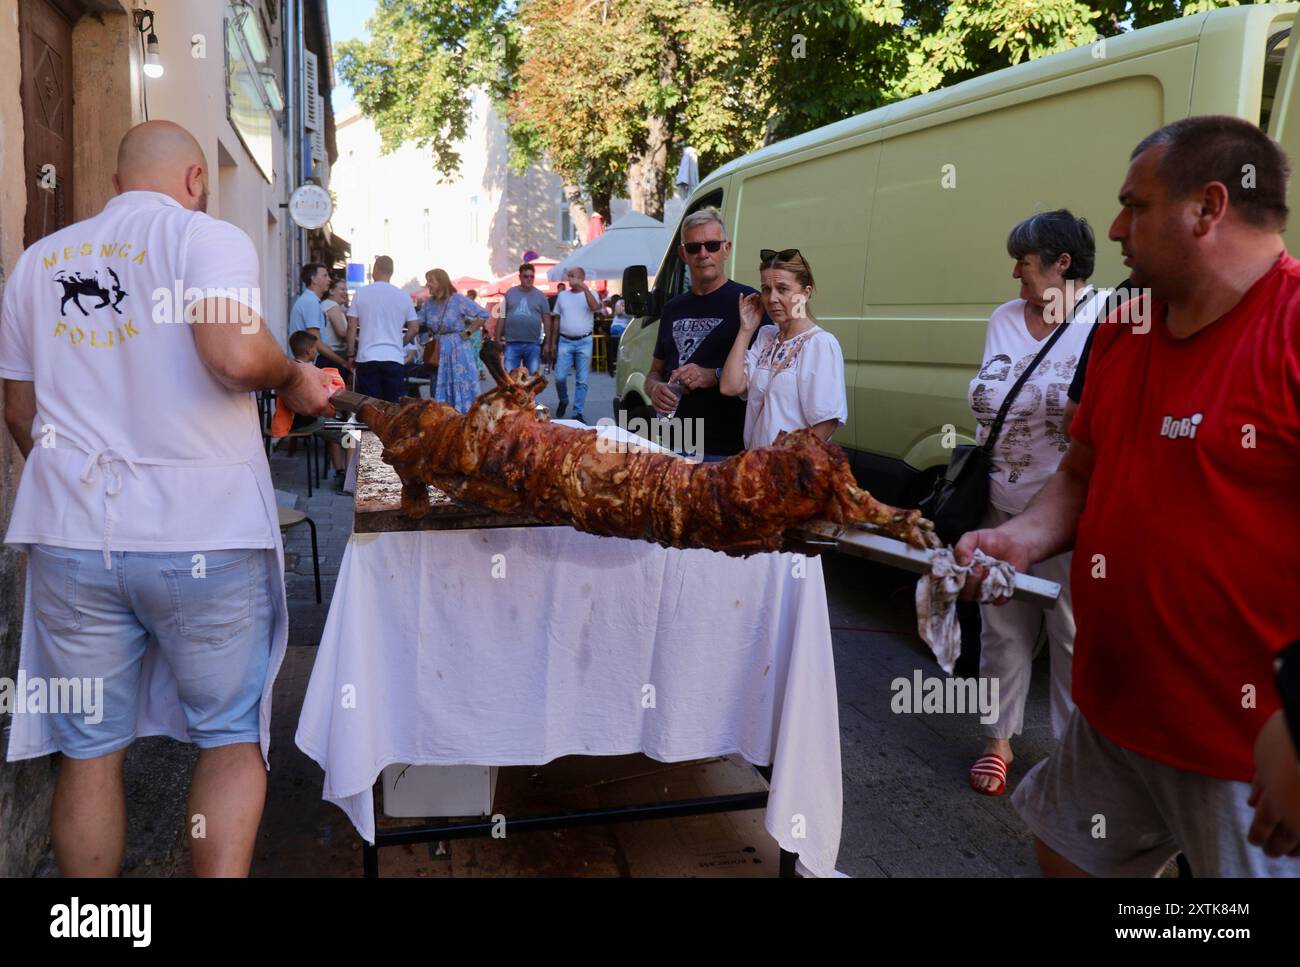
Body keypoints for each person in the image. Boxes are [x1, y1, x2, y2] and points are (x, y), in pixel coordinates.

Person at [957, 116, 1300, 876]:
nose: (1113, 227)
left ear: (1208, 207)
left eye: (1134, 206)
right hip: (1115, 715)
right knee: (1066, 858)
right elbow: (1082, 471)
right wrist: (1021, 537)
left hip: (1246, 746)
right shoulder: (1123, 328)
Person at [0, 120, 336, 877]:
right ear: (195, 179)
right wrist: (291, 378)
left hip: (71, 540)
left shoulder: (36, 263)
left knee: (88, 750)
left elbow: (20, 413)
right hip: (203, 534)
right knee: (226, 738)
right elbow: (228, 352)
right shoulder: (203, 238)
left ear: (115, 186)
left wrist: (70, 493)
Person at [962, 211, 1109, 797]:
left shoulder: (1104, 319)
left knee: (1073, 633)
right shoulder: (1002, 318)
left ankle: (1074, 759)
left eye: (1024, 260)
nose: (1015, 271)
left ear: (1061, 264)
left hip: (1068, 515)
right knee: (1002, 628)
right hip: (998, 501)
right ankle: (998, 741)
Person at [647, 207, 757, 460]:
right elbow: (654, 370)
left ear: (726, 248)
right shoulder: (672, 309)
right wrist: (655, 389)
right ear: (683, 254)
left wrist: (714, 375)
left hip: (728, 450)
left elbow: (766, 373)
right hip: (675, 446)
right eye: (694, 247)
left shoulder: (749, 303)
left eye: (712, 245)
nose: (703, 254)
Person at [718, 248, 847, 448]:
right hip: (756, 468)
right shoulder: (766, 336)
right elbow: (730, 386)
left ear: (805, 293)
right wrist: (746, 329)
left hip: (787, 472)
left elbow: (826, 423)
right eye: (766, 289)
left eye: (783, 289)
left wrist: (786, 465)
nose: (772, 298)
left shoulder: (820, 343)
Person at [345, 255, 418, 403]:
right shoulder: (403, 296)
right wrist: (400, 343)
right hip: (394, 357)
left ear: (376, 269)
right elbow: (414, 328)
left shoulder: (361, 293)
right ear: (391, 272)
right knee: (392, 407)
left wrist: (350, 354)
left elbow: (352, 326)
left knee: (370, 408)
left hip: (367, 357)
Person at [421, 268, 489, 413]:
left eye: (430, 281)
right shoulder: (428, 304)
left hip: (457, 350)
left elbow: (483, 314)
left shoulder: (457, 300)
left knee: (460, 384)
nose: (428, 285)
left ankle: (464, 418)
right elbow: (417, 321)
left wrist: (469, 331)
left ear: (441, 282)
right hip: (438, 350)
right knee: (437, 384)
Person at [548, 267, 599, 421]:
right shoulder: (562, 296)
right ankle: (563, 400)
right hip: (565, 341)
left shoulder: (591, 293)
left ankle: (577, 412)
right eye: (568, 276)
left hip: (584, 341)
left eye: (572, 276)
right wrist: (552, 343)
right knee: (559, 377)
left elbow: (595, 307)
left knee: (582, 380)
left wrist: (584, 288)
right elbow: (556, 319)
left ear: (582, 277)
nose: (569, 278)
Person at [289, 263, 348, 372]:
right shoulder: (311, 302)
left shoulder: (310, 300)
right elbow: (316, 342)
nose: (329, 280)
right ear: (314, 280)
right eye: (325, 276)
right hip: (306, 366)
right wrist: (343, 362)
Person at [500, 263, 551, 374]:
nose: (529, 279)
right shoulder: (509, 293)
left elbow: (547, 320)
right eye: (526, 276)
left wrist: (548, 343)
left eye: (532, 276)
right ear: (520, 277)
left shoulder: (541, 296)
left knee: (532, 380)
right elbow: (502, 316)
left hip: (533, 344)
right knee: (510, 380)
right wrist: (497, 339)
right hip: (512, 343)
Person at [319, 277, 352, 385]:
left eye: (346, 290)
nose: (345, 293)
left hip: (327, 355)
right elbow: (341, 333)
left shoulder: (328, 304)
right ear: (331, 291)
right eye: (342, 289)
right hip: (334, 356)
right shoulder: (332, 305)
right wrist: (356, 337)